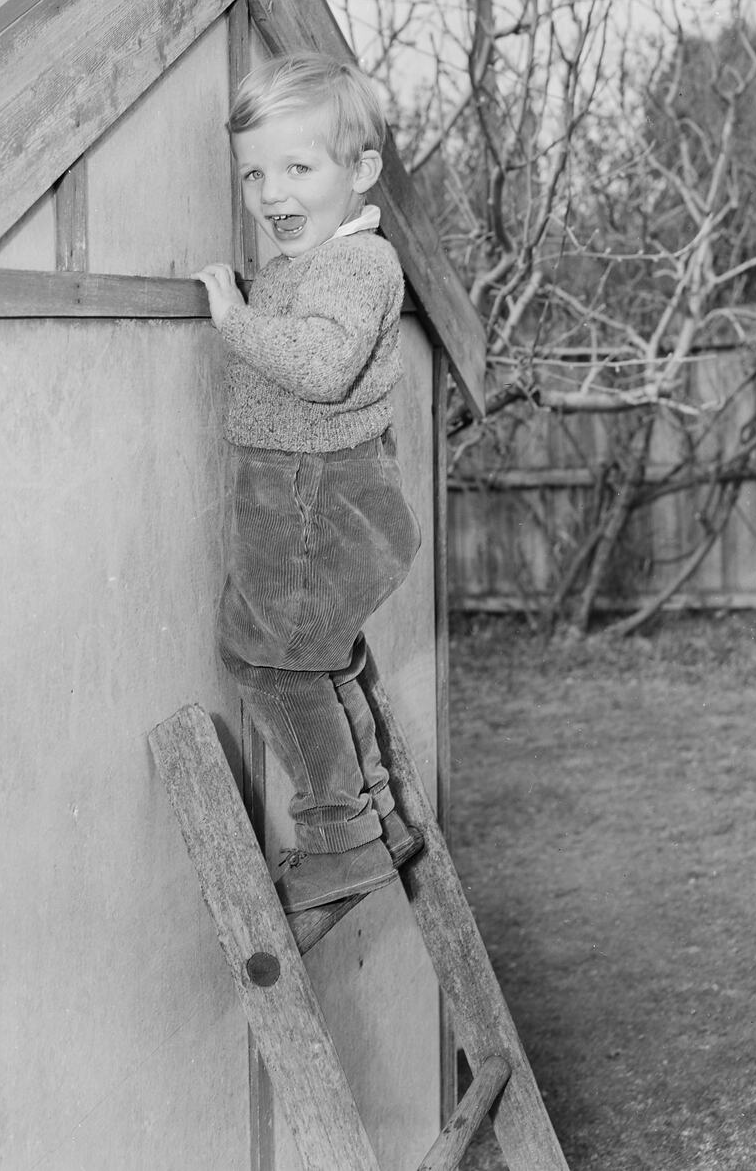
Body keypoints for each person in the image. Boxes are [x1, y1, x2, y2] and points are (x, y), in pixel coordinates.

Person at [194, 52, 423, 914]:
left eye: (297, 167)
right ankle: (376, 815)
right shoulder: (310, 263)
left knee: (272, 664)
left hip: (310, 493)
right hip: (306, 487)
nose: (272, 192)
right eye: (254, 172)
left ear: (359, 171)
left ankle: (339, 843)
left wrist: (235, 320)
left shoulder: (357, 265)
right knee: (318, 656)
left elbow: (323, 364)